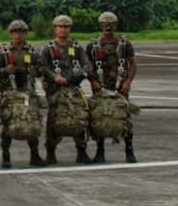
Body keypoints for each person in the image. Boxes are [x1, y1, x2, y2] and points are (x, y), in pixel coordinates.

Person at [40, 14, 93, 165]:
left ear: (70, 29)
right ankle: (50, 152)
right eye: (60, 27)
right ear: (55, 29)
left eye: (66, 27)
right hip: (55, 90)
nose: (63, 30)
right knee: (54, 119)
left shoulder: (76, 47)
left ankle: (81, 151)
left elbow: (86, 65)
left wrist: (77, 76)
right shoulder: (48, 48)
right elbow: (42, 66)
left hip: (73, 88)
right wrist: (54, 77)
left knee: (80, 116)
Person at [0, 20, 45, 168]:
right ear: (11, 34)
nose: (17, 35)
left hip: (28, 92)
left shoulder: (32, 52)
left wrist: (36, 71)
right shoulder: (3, 52)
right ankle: (6, 156)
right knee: (8, 123)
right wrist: (5, 71)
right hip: (9, 93)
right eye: (15, 32)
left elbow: (42, 69)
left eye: (21, 32)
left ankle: (34, 155)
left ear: (25, 34)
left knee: (32, 122)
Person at [86, 11, 138, 163]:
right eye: (104, 24)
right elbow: (87, 66)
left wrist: (128, 82)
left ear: (115, 25)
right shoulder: (93, 45)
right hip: (100, 86)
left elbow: (133, 64)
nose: (107, 27)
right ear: (100, 25)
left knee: (124, 117)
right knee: (99, 118)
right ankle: (100, 151)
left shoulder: (124, 44)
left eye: (110, 24)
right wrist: (92, 81)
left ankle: (129, 150)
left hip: (120, 86)